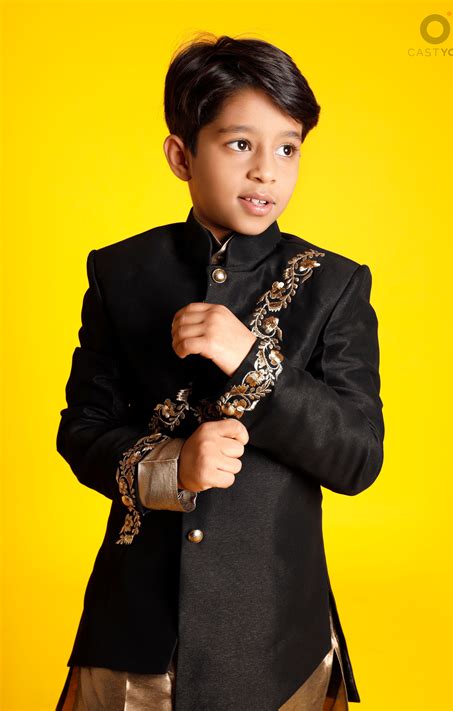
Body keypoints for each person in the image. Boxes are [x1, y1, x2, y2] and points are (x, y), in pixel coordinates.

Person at [55, 33, 384, 711]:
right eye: (240, 144)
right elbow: (82, 431)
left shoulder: (336, 285)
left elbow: (358, 457)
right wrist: (172, 466)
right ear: (182, 155)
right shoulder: (120, 272)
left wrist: (253, 362)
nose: (267, 172)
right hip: (134, 637)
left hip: (277, 640)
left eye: (288, 148)